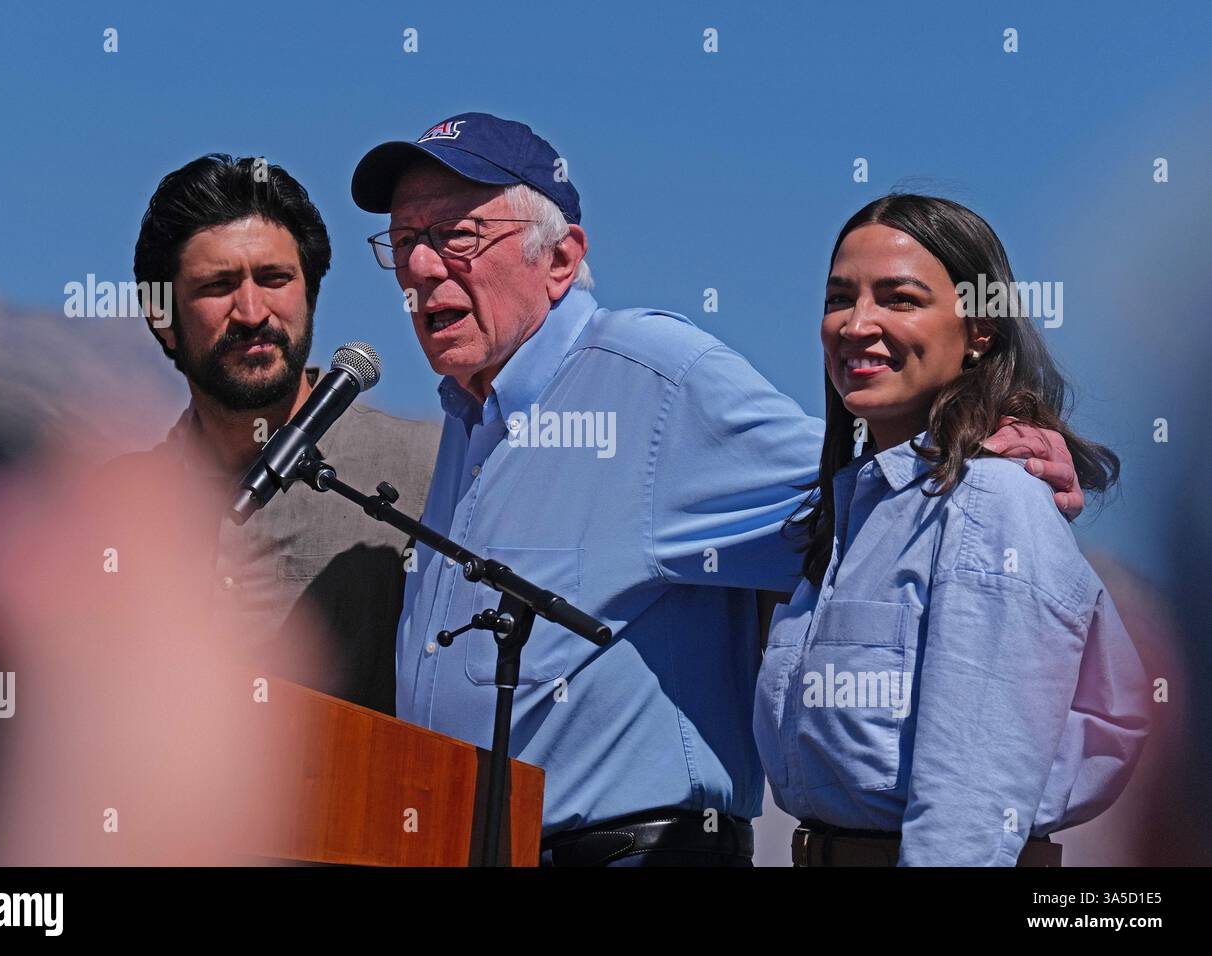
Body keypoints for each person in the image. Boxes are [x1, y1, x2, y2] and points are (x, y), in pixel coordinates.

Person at [349, 113, 1083, 866]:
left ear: (561, 258)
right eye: (404, 242)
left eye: (457, 235)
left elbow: (869, 495)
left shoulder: (656, 379)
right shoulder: (467, 417)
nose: (424, 268)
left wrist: (986, 451)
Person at [753, 194, 1150, 866]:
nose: (857, 323)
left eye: (900, 298)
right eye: (840, 297)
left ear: (980, 331)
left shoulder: (990, 500)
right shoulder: (854, 509)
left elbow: (973, 792)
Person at [116, 154, 440, 710]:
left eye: (274, 279)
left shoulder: (429, 470)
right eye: (218, 285)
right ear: (162, 319)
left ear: (309, 297)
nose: (251, 311)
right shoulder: (113, 508)